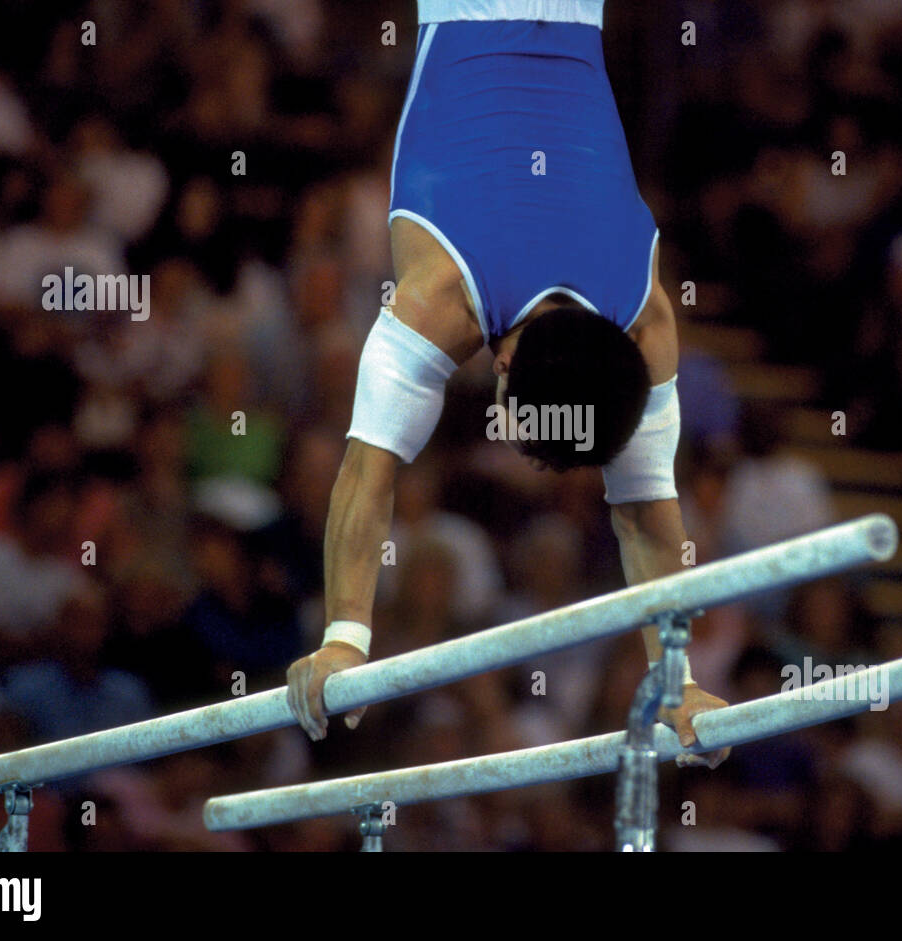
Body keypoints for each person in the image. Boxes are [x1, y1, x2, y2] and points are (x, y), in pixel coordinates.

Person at [287, 0, 729, 769]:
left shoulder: (645, 314)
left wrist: (678, 679)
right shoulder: (435, 301)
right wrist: (343, 639)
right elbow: (365, 472)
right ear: (500, 370)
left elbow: (650, 520)